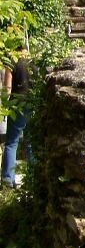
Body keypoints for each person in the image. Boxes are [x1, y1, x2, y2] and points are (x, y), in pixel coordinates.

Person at [2, 50, 32, 187]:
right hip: (32, 102)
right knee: (30, 142)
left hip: (17, 103)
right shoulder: (32, 61)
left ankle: (8, 178)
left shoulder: (11, 61)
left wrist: (5, 105)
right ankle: (33, 178)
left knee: (12, 142)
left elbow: (7, 87)